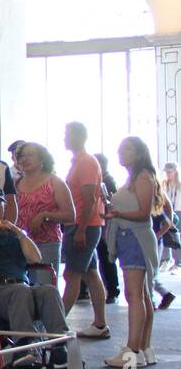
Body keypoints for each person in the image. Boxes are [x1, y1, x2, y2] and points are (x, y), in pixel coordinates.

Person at [0, 187, 68, 369]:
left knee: (48, 290)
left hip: (21, 286)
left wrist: (18, 232)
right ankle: (24, 347)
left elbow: (35, 258)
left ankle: (60, 346)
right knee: (21, 291)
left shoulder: (13, 232)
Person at [104, 136, 160, 369]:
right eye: (120, 149)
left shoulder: (143, 177)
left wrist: (117, 214)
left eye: (126, 149)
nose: (121, 153)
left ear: (138, 153)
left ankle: (133, 350)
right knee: (142, 295)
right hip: (131, 237)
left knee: (135, 295)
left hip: (135, 238)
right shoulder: (135, 177)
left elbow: (144, 213)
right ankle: (143, 347)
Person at [63, 122, 110, 338]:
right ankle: (100, 324)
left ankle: (56, 324)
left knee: (72, 274)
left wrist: (81, 229)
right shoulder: (79, 162)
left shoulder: (86, 163)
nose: (64, 138)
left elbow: (90, 199)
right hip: (84, 225)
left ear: (78, 137)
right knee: (91, 274)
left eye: (67, 135)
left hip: (84, 225)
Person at [14, 142, 74, 286]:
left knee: (44, 288)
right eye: (22, 156)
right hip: (20, 242)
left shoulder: (54, 182)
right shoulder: (16, 183)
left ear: (42, 159)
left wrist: (45, 215)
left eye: (30, 155)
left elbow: (70, 215)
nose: (25, 159)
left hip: (46, 242)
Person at [94, 153, 121, 303]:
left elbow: (110, 204)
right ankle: (110, 289)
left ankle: (112, 290)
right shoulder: (103, 180)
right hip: (102, 224)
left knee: (106, 259)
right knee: (103, 259)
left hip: (106, 225)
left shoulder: (107, 181)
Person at [161, 162, 180, 272]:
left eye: (170, 172)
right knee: (166, 234)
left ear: (176, 172)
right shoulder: (164, 184)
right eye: (166, 172)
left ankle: (178, 262)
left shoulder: (179, 184)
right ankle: (166, 260)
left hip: (179, 210)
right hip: (168, 211)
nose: (168, 174)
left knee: (176, 236)